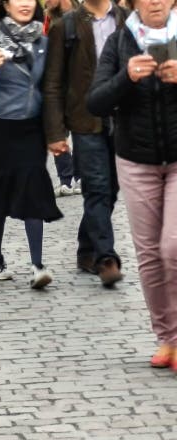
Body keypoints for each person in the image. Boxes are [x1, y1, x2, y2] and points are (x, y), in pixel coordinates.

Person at [87, 0, 177, 369]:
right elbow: (95, 101)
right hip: (136, 159)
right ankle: (167, 339)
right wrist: (127, 77)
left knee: (173, 245)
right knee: (150, 256)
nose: (155, 0)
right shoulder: (121, 40)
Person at [0, 0, 62, 287]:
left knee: (33, 189)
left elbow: (50, 87)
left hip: (31, 126)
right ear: (6, 6)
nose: (25, 3)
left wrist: (56, 130)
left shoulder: (43, 42)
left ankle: (37, 265)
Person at [43, 0, 128, 287]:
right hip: (85, 119)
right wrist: (55, 132)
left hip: (123, 118)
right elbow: (53, 83)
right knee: (97, 187)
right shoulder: (65, 26)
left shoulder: (127, 19)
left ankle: (86, 248)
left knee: (111, 189)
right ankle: (106, 258)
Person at [42, 0, 80, 198]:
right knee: (57, 134)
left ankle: (81, 177)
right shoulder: (48, 20)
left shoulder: (82, 17)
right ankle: (66, 179)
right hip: (56, 87)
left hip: (79, 85)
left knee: (82, 133)